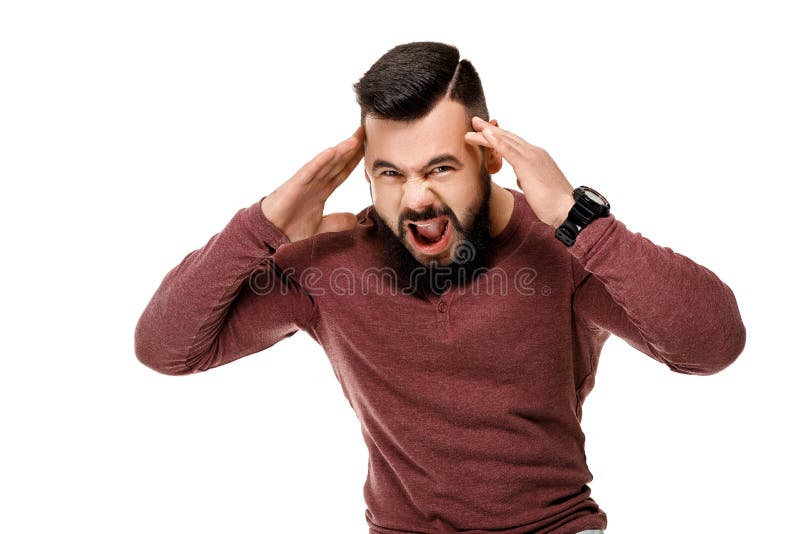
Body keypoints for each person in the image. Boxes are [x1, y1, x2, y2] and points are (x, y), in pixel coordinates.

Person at [134, 41, 746, 534]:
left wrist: (578, 219)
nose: (417, 198)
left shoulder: (559, 249)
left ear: (490, 155)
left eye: (441, 168)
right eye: (391, 174)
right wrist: (264, 225)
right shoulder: (330, 261)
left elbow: (711, 346)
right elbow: (168, 350)